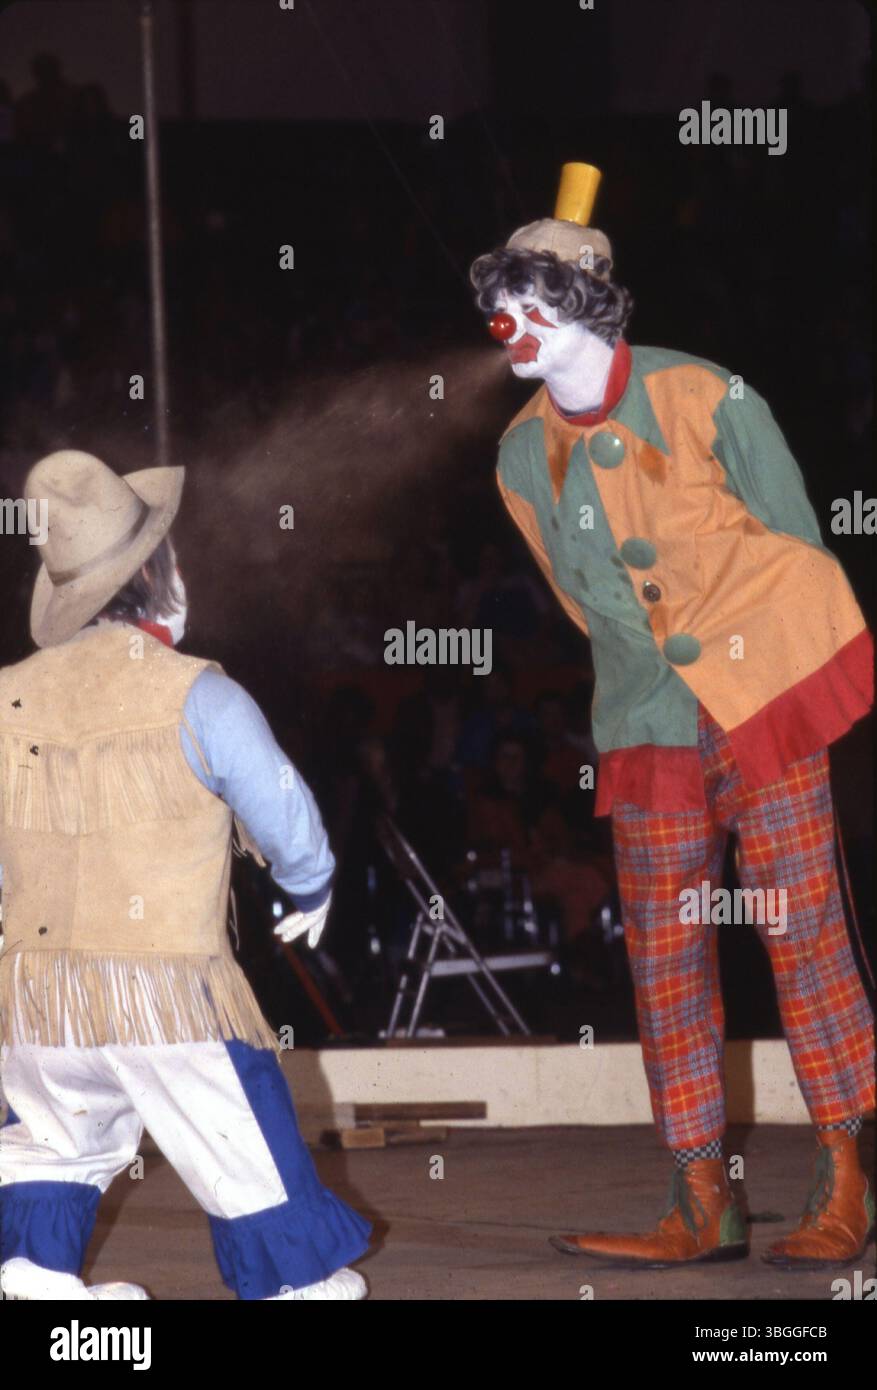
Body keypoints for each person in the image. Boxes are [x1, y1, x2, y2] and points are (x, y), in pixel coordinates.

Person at [469, 162, 874, 1269]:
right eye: (501, 304)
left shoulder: (708, 395)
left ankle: (845, 1179)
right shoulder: (517, 457)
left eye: (531, 301)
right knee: (663, 952)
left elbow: (798, 543)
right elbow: (578, 601)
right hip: (644, 718)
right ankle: (703, 1200)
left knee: (802, 931)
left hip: (761, 697)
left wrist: (773, 674)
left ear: (586, 306)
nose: (507, 324)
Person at [0, 450, 371, 1300]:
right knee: (238, 1128)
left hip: (36, 997)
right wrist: (309, 884)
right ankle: (293, 1285)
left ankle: (35, 1272)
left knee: (54, 1137)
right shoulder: (198, 693)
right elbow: (282, 807)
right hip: (164, 992)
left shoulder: (7, 697)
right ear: (160, 579)